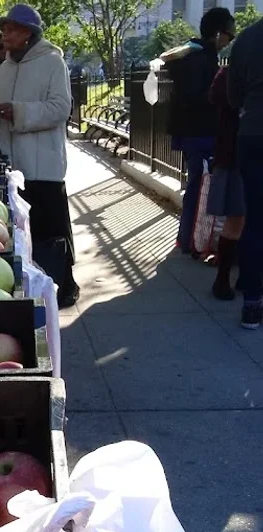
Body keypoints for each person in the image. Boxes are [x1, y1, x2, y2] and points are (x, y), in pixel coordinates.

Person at [0, 5, 78, 307]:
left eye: (12, 30)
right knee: (23, 233)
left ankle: (66, 284)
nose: (5, 35)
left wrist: (18, 111)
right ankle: (33, 287)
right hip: (12, 165)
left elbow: (60, 109)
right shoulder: (1, 71)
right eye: (4, 30)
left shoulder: (53, 63)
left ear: (28, 33)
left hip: (44, 164)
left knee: (52, 228)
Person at [162, 7, 235, 255]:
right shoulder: (199, 58)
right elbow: (194, 97)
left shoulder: (195, 55)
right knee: (198, 187)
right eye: (229, 34)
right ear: (217, 34)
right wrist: (220, 94)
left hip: (191, 132)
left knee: (196, 186)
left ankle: (188, 239)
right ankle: (191, 240)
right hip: (199, 133)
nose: (230, 40)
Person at [228, 16, 263, 329]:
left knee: (255, 221)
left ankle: (252, 303)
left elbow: (232, 91)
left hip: (252, 132)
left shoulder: (247, 39)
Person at [206, 66, 244, 301]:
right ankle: (225, 279)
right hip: (237, 155)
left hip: (231, 153)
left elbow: (213, 97)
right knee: (238, 217)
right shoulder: (231, 75)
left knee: (237, 218)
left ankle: (228, 278)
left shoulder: (227, 73)